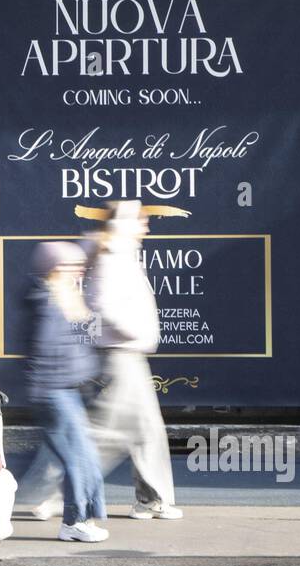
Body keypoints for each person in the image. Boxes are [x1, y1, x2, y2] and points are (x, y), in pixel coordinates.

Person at [84, 200, 183, 520]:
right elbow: (101, 305)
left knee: (145, 432)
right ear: (125, 224)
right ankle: (53, 495)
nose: (147, 227)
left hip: (129, 355)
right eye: (141, 222)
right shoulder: (112, 258)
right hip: (121, 356)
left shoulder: (121, 255)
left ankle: (150, 500)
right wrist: (135, 330)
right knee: (106, 436)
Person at [23, 241, 109, 542]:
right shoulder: (48, 301)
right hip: (53, 392)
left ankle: (82, 517)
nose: (81, 270)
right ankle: (74, 522)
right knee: (77, 458)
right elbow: (48, 354)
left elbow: (82, 345)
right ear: (57, 269)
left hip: (67, 391)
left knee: (85, 456)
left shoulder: (67, 297)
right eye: (74, 266)